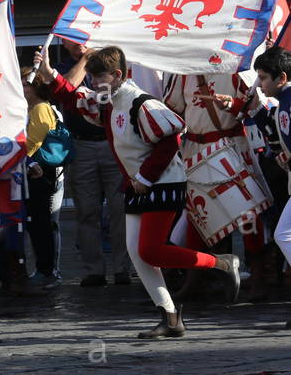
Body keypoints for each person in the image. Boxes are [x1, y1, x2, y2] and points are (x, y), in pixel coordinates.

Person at [35, 43, 240, 339]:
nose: (93, 84)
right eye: (91, 79)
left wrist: (145, 176)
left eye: (98, 78)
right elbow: (75, 99)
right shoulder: (109, 99)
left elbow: (170, 139)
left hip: (162, 183)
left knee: (150, 250)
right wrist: (49, 73)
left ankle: (221, 263)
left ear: (117, 74)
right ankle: (170, 318)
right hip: (139, 184)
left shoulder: (140, 102)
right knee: (138, 253)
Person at [162, 71, 274, 302]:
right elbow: (172, 108)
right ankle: (197, 278)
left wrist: (232, 104)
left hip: (230, 146)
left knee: (247, 215)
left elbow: (252, 107)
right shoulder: (183, 72)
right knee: (198, 215)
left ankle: (258, 276)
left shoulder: (237, 70)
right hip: (195, 148)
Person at [204, 46, 291, 329]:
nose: (261, 84)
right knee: (282, 233)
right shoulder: (282, 103)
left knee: (284, 234)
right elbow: (267, 123)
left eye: (264, 77)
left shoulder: (287, 103)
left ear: (281, 78)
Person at [57, 43, 132, 288]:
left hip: (113, 145)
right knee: (87, 211)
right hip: (82, 146)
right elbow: (64, 89)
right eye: (71, 38)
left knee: (120, 209)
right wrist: (85, 60)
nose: (78, 42)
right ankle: (94, 270)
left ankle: (123, 268)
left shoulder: (112, 60)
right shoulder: (67, 65)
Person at [21, 74, 63, 289]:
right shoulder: (31, 109)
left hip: (40, 172)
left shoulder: (40, 108)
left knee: (41, 223)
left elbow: (33, 142)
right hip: (33, 170)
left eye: (26, 84)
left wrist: (13, 150)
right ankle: (42, 268)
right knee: (36, 223)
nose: (22, 87)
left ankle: (47, 270)